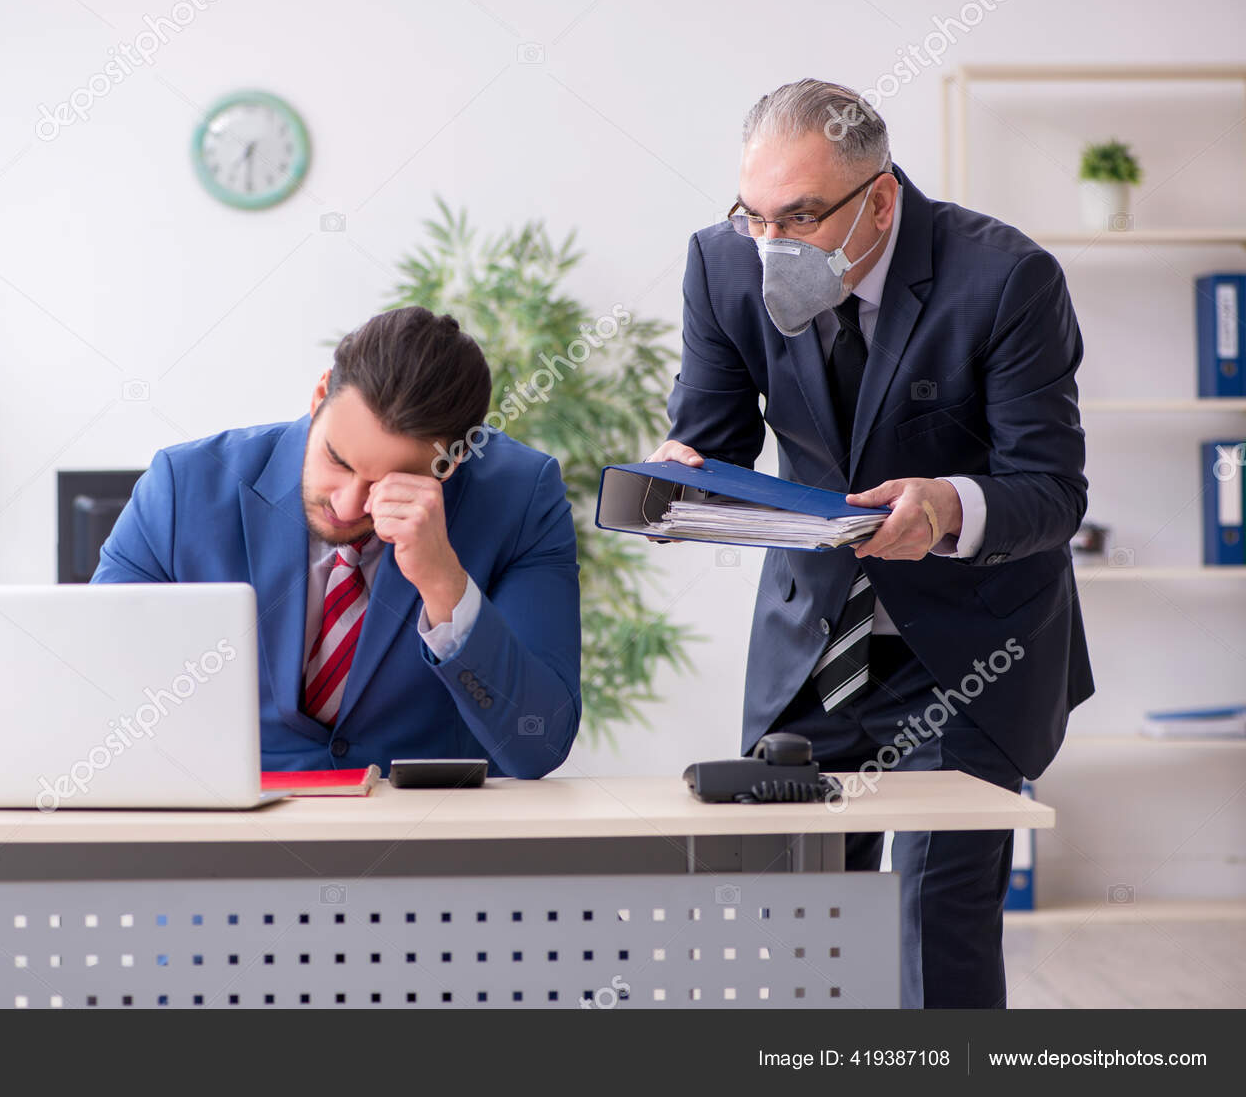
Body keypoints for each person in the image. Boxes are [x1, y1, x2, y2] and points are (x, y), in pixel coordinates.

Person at [651, 79, 1093, 1008]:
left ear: (880, 199)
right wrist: (679, 472)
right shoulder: (723, 264)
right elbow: (716, 437)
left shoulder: (1006, 278)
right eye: (754, 214)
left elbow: (1050, 492)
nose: (772, 244)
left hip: (967, 654)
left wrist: (944, 506)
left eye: (802, 216)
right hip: (813, 647)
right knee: (806, 936)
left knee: (935, 932)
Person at [93, 305, 581, 778]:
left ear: (450, 464)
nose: (348, 506)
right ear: (319, 395)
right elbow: (94, 689)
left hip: (427, 840)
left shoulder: (520, 500)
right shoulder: (184, 487)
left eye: (391, 482)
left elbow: (536, 744)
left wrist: (444, 583)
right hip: (229, 835)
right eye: (338, 460)